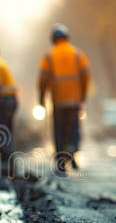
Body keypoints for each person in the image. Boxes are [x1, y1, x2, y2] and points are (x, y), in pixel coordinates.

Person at [37, 24, 90, 171]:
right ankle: (72, 150)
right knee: (73, 128)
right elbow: (86, 76)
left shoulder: (49, 56)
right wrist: (83, 95)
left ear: (53, 39)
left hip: (58, 100)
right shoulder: (78, 54)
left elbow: (43, 79)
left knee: (59, 130)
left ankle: (61, 160)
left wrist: (42, 96)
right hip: (74, 100)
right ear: (67, 38)